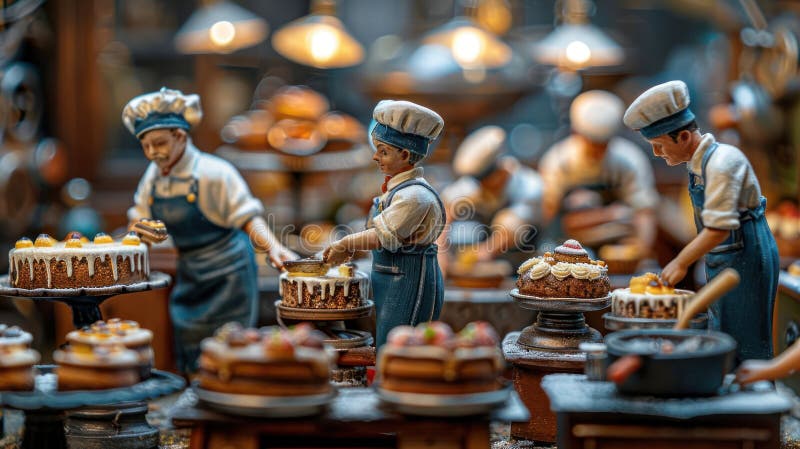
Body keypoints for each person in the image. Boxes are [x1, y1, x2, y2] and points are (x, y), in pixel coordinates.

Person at [124, 87, 297, 373]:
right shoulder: (152, 178)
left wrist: (273, 247)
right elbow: (137, 220)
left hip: (229, 274)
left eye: (159, 143)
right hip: (190, 272)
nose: (153, 153)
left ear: (180, 137)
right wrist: (137, 236)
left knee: (231, 349)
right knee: (192, 348)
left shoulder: (215, 173)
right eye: (146, 146)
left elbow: (247, 218)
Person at [624, 80, 779, 360]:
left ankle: (753, 388)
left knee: (744, 335)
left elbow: (719, 228)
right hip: (723, 258)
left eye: (659, 146)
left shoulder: (721, 163)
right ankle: (728, 381)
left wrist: (680, 261)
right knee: (722, 329)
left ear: (683, 137)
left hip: (746, 255)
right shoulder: (697, 166)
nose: (657, 154)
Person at [323, 100, 445, 348]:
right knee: (386, 341)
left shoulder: (415, 197)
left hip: (409, 278)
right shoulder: (396, 190)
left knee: (399, 345)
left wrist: (346, 244)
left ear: (405, 155)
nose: (375, 157)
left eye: (383, 151)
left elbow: (381, 236)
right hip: (390, 276)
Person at [539, 90, 658, 254]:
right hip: (567, 247)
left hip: (615, 245)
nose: (597, 152)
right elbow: (547, 211)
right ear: (576, 133)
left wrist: (640, 252)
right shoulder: (558, 161)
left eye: (603, 145)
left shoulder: (629, 159)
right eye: (591, 144)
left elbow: (644, 211)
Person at [439, 126, 542, 270]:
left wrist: (480, 253)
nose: (484, 188)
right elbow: (447, 206)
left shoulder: (530, 187)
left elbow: (511, 227)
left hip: (526, 264)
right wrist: (440, 250)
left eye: (487, 183)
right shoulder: (476, 186)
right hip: (488, 265)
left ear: (501, 171)